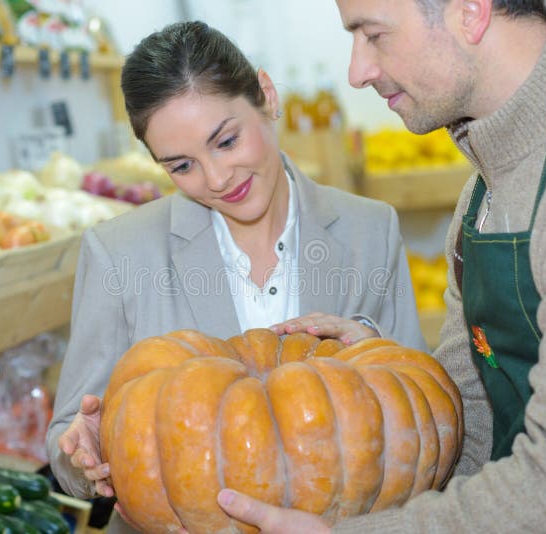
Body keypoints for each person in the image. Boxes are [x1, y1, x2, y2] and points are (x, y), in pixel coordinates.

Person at [216, 0, 546, 532]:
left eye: (372, 35)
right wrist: (382, 382)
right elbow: (468, 420)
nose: (357, 72)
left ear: (471, 12)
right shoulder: (484, 184)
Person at [45, 20, 427, 533]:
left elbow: (419, 418)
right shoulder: (118, 252)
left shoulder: (370, 229)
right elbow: (68, 444)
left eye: (226, 141)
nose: (217, 179)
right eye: (182, 166)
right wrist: (85, 456)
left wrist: (372, 347)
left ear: (267, 97)